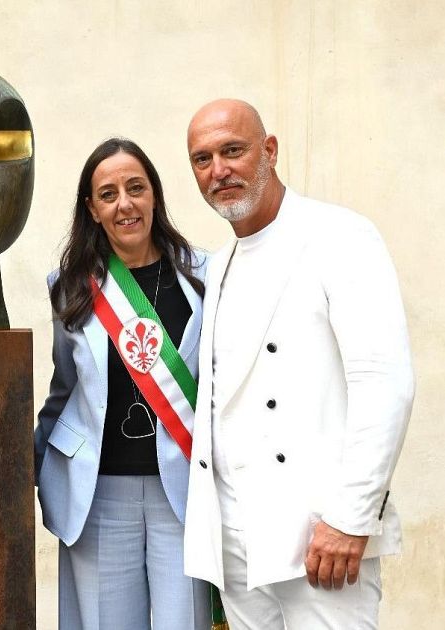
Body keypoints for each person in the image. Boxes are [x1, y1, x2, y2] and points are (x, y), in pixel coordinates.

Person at [182, 99, 414, 629]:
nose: (219, 170)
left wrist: (351, 518)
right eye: (202, 159)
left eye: (233, 151)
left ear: (269, 151)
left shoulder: (340, 236)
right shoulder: (218, 267)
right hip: (238, 546)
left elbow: (386, 384)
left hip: (320, 540)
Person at [35, 137, 211, 630]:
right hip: (98, 491)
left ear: (154, 194)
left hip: (184, 490)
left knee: (186, 622)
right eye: (108, 194)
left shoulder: (206, 277)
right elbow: (63, 387)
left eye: (136, 188)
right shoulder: (68, 285)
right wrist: (33, 467)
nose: (125, 204)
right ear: (91, 209)